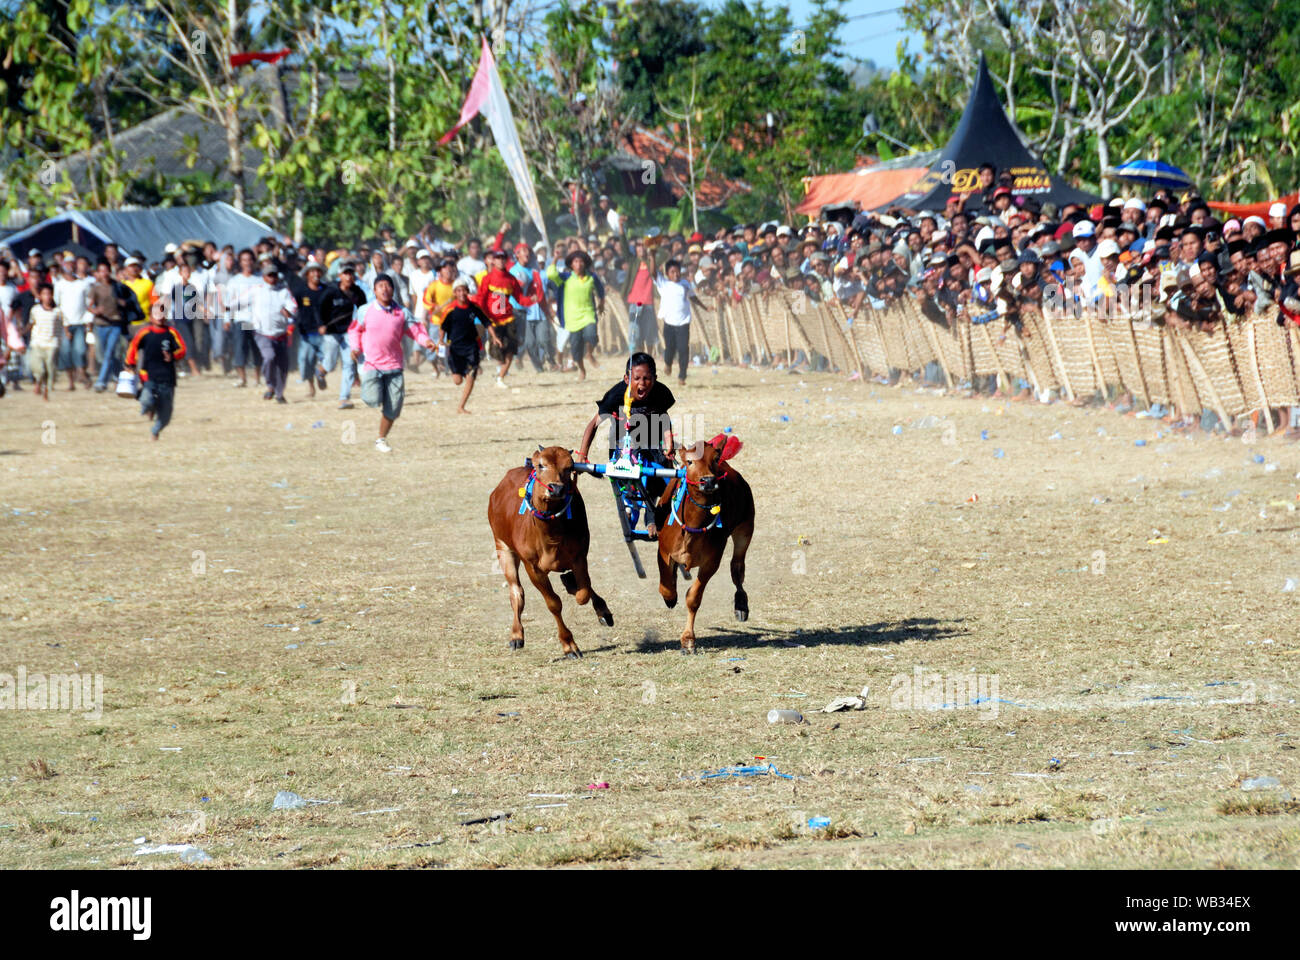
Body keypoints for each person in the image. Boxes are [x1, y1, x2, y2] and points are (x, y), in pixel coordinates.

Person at [574, 352, 676, 538]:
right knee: (631, 477)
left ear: (655, 378)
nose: (642, 383)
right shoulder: (616, 395)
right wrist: (582, 454)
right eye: (637, 378)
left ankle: (652, 515)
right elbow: (594, 424)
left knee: (661, 477)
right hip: (624, 448)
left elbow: (665, 418)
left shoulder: (661, 393)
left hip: (653, 445)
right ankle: (632, 509)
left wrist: (669, 441)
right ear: (627, 378)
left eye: (647, 378)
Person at [348, 273, 435, 452]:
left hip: (394, 366)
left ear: (393, 290)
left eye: (388, 286)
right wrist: (355, 347)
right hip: (372, 364)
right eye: (381, 286)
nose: (385, 289)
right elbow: (354, 330)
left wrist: (426, 341)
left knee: (394, 407)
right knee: (372, 399)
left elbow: (415, 330)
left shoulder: (401, 312)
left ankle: (381, 439)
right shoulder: (365, 311)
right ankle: (375, 395)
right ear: (375, 290)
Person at [471, 246, 536, 387]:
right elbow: (481, 299)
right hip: (493, 321)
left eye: (503, 258)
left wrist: (532, 300)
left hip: (508, 319)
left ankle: (500, 377)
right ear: (493, 261)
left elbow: (520, 298)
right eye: (498, 258)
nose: (500, 261)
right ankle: (496, 366)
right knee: (497, 350)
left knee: (511, 349)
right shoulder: (487, 279)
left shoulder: (511, 279)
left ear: (506, 261)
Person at [125, 301, 186, 440]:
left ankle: (155, 430)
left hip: (168, 378)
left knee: (166, 415)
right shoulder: (144, 333)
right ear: (151, 317)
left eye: (162, 313)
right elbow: (133, 347)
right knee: (146, 399)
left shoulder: (171, 333)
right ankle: (149, 407)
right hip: (148, 375)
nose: (159, 316)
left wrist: (173, 356)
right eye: (156, 313)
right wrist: (130, 364)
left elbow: (182, 350)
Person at [546, 248, 604, 381]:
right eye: (576, 262)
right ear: (571, 265)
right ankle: (582, 370)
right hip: (572, 318)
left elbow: (600, 290)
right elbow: (550, 274)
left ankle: (589, 354)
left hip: (588, 314)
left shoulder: (591, 277)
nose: (579, 264)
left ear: (585, 264)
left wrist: (602, 303)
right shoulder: (565, 278)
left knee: (591, 335)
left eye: (581, 261)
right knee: (576, 349)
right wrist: (555, 258)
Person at [436, 279, 491, 413]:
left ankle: (461, 406)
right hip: (455, 348)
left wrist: (494, 337)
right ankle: (459, 373)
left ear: (468, 291)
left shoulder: (474, 307)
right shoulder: (450, 310)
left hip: (471, 347)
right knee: (457, 381)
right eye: (459, 290)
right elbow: (443, 326)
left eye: (464, 290)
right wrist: (441, 340)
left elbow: (486, 322)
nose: (462, 293)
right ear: (455, 293)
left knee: (471, 376)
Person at [247, 262, 297, 403]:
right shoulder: (256, 289)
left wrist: (288, 312)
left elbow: (292, 307)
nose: (272, 278)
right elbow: (239, 301)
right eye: (269, 275)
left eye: (274, 275)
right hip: (261, 332)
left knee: (282, 365)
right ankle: (270, 386)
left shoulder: (284, 291)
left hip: (280, 333)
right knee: (269, 357)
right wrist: (227, 308)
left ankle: (279, 393)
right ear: (264, 277)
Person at [319, 264, 368, 408]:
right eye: (345, 274)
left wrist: (363, 327)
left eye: (351, 274)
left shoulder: (357, 292)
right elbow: (320, 308)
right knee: (331, 363)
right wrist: (321, 324)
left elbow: (363, 310)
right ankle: (321, 370)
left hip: (348, 332)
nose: (349, 276)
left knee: (349, 363)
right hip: (331, 332)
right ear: (340, 276)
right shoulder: (330, 291)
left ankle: (344, 398)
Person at [655, 256, 707, 385]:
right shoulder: (663, 284)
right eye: (672, 272)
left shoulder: (685, 284)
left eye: (677, 271)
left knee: (683, 349)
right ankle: (668, 363)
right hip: (669, 323)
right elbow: (652, 272)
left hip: (683, 322)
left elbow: (693, 297)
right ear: (667, 274)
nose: (676, 274)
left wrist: (705, 307)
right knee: (670, 349)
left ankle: (682, 376)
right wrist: (651, 256)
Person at [294, 261, 329, 398]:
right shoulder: (300, 292)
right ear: (307, 274)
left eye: (318, 271)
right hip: (306, 333)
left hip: (324, 333)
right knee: (307, 360)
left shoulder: (327, 290)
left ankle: (320, 374)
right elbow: (293, 307)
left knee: (326, 358)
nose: (316, 274)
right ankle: (311, 387)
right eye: (312, 271)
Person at [26, 283, 60, 400]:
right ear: (40, 296)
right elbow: (31, 324)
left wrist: (58, 341)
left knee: (50, 368)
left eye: (49, 294)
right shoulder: (35, 310)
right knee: (38, 368)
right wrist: (22, 332)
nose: (47, 297)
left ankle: (46, 389)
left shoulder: (57, 312)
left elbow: (59, 328)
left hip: (51, 343)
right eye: (44, 294)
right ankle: (38, 382)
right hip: (38, 343)